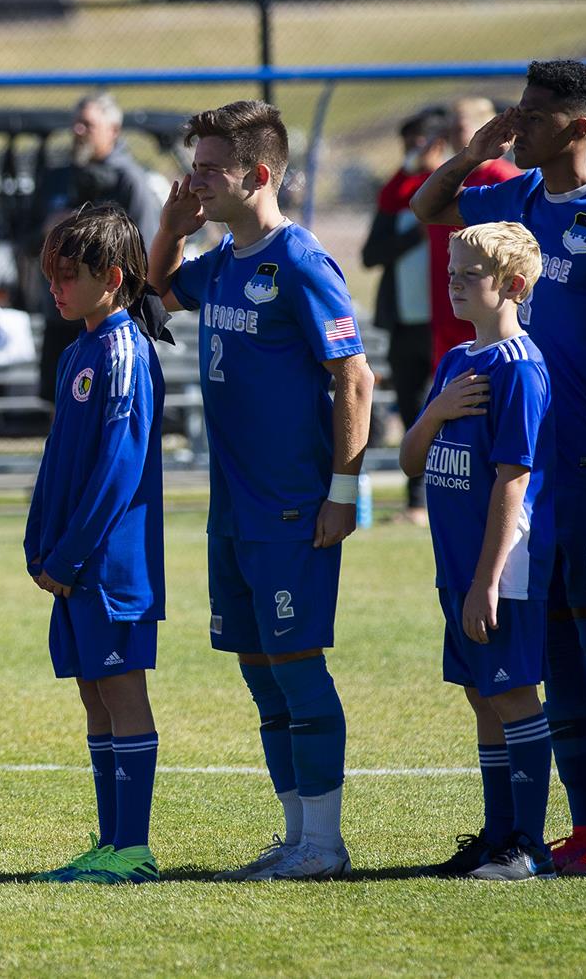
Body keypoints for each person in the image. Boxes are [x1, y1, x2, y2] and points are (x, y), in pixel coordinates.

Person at [412, 60, 586, 877]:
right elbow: (428, 208)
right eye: (518, 108)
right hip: (528, 469)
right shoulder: (514, 196)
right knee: (550, 649)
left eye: (537, 111)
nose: (520, 121)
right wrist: (475, 151)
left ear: (580, 127)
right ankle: (575, 828)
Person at [148, 100, 375, 881]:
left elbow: (354, 376)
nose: (197, 180)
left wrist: (344, 489)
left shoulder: (300, 261)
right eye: (195, 167)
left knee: (298, 665)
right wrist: (171, 228)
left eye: (212, 169)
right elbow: (153, 297)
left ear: (260, 174)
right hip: (233, 507)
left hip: (291, 505)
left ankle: (325, 843)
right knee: (259, 670)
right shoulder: (222, 260)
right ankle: (296, 836)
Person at [401, 222, 556, 881]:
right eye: (451, 272)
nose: (454, 283)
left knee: (514, 694)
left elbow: (513, 479)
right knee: (480, 694)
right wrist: (436, 411)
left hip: (501, 569)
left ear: (514, 285)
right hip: (457, 565)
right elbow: (411, 460)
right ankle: (496, 836)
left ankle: (529, 845)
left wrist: (487, 580)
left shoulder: (519, 368)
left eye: (470, 274)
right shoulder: (456, 362)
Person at [26, 205, 166, 886]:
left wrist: (71, 553)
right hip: (73, 564)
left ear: (112, 278)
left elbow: (119, 467)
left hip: (111, 565)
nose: (55, 287)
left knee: (121, 689)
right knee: (93, 694)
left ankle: (133, 849)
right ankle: (109, 842)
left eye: (68, 275)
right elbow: (59, 460)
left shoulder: (124, 351)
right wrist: (39, 541)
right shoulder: (77, 350)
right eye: (51, 274)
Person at [35, 94, 162, 405]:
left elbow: (144, 256)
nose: (77, 131)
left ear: (113, 130)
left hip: (107, 319)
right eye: (75, 123)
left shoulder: (128, 181)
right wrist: (49, 229)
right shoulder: (58, 177)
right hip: (61, 315)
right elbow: (25, 238)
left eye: (87, 124)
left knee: (106, 404)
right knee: (62, 405)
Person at [363, 108, 446, 523]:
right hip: (405, 324)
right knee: (414, 412)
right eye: (408, 144)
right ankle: (417, 501)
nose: (414, 152)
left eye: (421, 143)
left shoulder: (458, 190)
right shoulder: (397, 198)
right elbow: (370, 254)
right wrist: (416, 231)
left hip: (446, 322)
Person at [429, 97, 522, 361]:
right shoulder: (446, 179)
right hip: (447, 299)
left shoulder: (504, 180)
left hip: (485, 303)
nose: (452, 136)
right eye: (449, 129)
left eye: (459, 129)